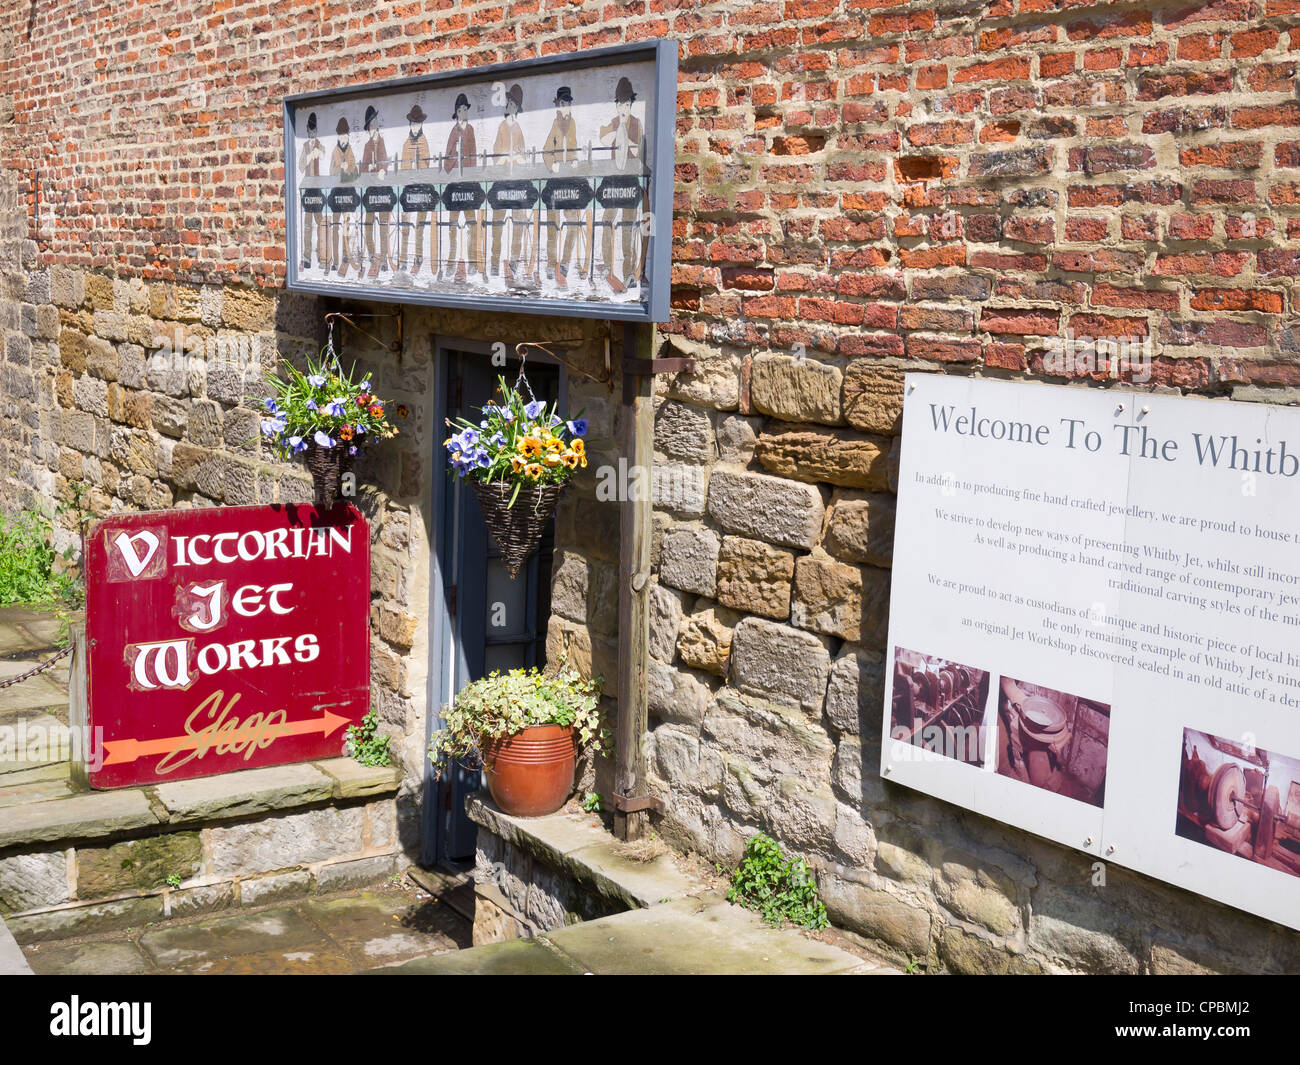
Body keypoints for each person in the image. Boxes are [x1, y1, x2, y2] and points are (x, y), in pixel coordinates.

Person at [598, 77, 645, 295]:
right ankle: (607, 263)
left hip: (629, 181)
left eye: (626, 103)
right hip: (612, 180)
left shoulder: (636, 123)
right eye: (619, 103)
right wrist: (617, 131)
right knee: (607, 219)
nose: (622, 107)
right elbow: (603, 138)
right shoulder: (613, 123)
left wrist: (626, 134)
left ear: (631, 104)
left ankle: (628, 272)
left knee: (628, 225)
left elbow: (638, 152)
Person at [542, 85, 584, 288]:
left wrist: (575, 159)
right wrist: (553, 164)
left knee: (574, 223)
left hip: (570, 181)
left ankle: (565, 262)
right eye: (562, 103)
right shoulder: (554, 123)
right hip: (556, 181)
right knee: (553, 225)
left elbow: (574, 146)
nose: (565, 106)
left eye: (568, 103)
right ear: (558, 105)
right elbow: (546, 151)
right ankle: (551, 264)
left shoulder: (573, 123)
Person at [489, 84, 529, 285]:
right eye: (509, 103)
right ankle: (495, 261)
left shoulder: (519, 128)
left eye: (513, 103)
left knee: (520, 220)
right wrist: (503, 159)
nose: (509, 106)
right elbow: (496, 152)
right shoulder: (502, 127)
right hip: (502, 182)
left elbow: (522, 152)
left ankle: (514, 259)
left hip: (516, 184)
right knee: (497, 223)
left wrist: (520, 159)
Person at [442, 92, 480, 283]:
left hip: (468, 185)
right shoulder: (453, 132)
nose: (463, 113)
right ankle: (451, 261)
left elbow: (474, 155)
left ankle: (473, 261)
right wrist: (453, 155)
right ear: (456, 113)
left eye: (465, 109)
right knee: (452, 226)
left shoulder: (471, 129)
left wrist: (470, 174)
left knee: (472, 224)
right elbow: (446, 163)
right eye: (459, 110)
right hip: (455, 187)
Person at [359, 105, 393, 279]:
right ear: (368, 127)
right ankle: (372, 254)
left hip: (382, 190)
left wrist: (381, 168)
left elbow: (385, 161)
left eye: (376, 123)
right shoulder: (366, 146)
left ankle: (385, 259)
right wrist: (368, 168)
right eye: (372, 124)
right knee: (368, 223)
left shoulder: (382, 141)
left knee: (384, 225)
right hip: (371, 191)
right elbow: (364, 168)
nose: (375, 126)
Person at [398, 103, 432, 275]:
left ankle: (418, 257)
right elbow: (404, 166)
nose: (415, 127)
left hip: (422, 190)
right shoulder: (406, 144)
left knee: (419, 226)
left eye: (418, 124)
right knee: (405, 225)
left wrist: (419, 161)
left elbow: (427, 164)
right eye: (413, 123)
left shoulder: (423, 142)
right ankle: (403, 258)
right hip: (408, 190)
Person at [328, 117, 359, 278]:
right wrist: (341, 167)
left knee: (347, 226)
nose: (343, 139)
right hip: (336, 194)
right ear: (338, 137)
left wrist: (349, 168)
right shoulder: (335, 151)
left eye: (345, 136)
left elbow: (354, 169)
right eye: (341, 136)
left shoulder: (350, 150)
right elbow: (331, 171)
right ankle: (335, 260)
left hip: (347, 193)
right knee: (335, 226)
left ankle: (346, 257)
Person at [297, 112, 327, 272]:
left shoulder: (319, 144)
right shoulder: (305, 147)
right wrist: (308, 157)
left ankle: (323, 257)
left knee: (321, 223)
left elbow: (323, 155)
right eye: (310, 132)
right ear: (307, 131)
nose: (312, 135)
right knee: (307, 226)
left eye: (314, 132)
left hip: (318, 188)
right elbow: (301, 166)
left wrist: (318, 152)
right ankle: (307, 258)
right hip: (308, 189)